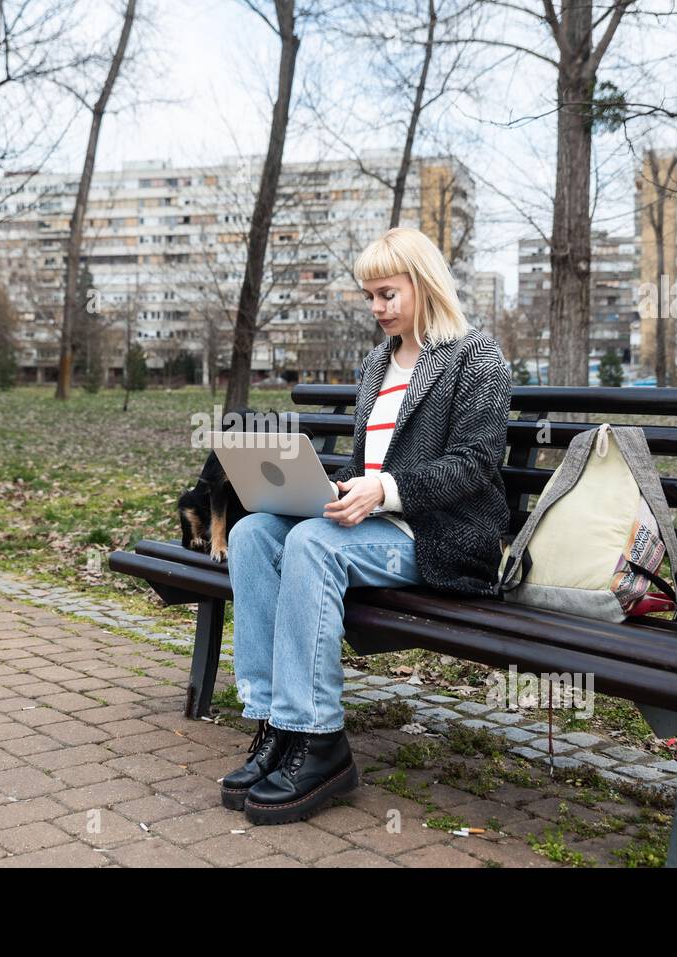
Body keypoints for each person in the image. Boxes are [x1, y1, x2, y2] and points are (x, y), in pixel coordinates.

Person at [222, 226, 512, 825]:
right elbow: (368, 465)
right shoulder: (378, 362)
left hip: (438, 538)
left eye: (387, 294)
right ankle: (276, 722)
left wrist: (387, 489)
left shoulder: (475, 356)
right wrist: (339, 489)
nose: (377, 309)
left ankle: (320, 740)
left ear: (423, 284)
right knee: (253, 534)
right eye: (370, 297)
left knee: (312, 545)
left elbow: (478, 463)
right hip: (373, 524)